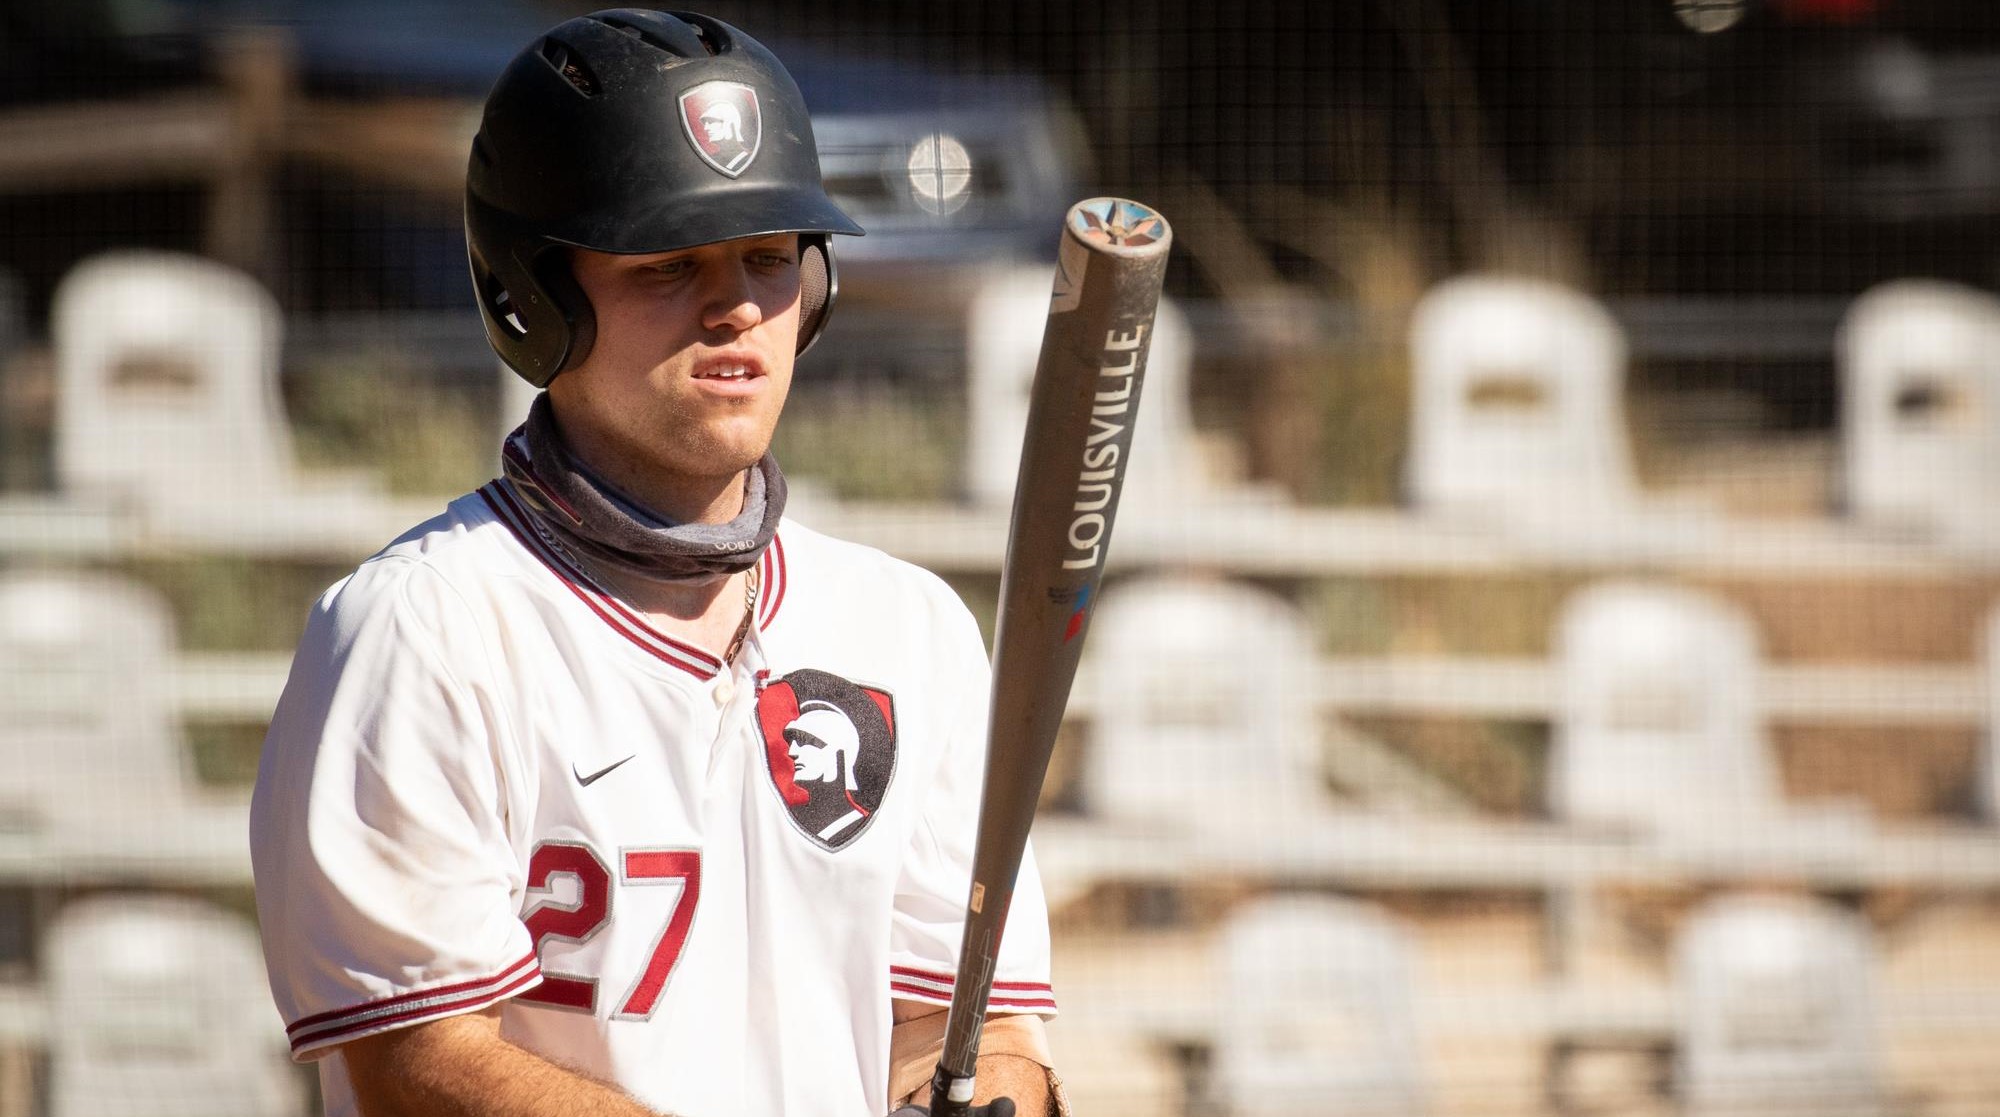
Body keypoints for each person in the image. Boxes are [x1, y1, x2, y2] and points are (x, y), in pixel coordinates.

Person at [249, 10, 1065, 1117]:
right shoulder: (420, 629)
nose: (735, 306)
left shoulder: (908, 630)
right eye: (669, 262)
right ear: (534, 295)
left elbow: (955, 1025)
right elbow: (423, 1067)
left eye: (769, 257)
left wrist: (989, 1096)